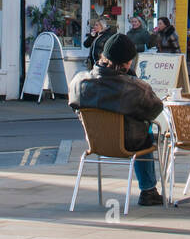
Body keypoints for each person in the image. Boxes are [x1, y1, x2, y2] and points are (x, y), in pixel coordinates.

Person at [68, 33, 165, 206]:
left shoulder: (79, 81)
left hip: (95, 142)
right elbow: (155, 108)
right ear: (128, 63)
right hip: (128, 143)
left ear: (103, 57)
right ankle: (148, 190)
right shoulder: (135, 87)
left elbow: (73, 104)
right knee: (147, 131)